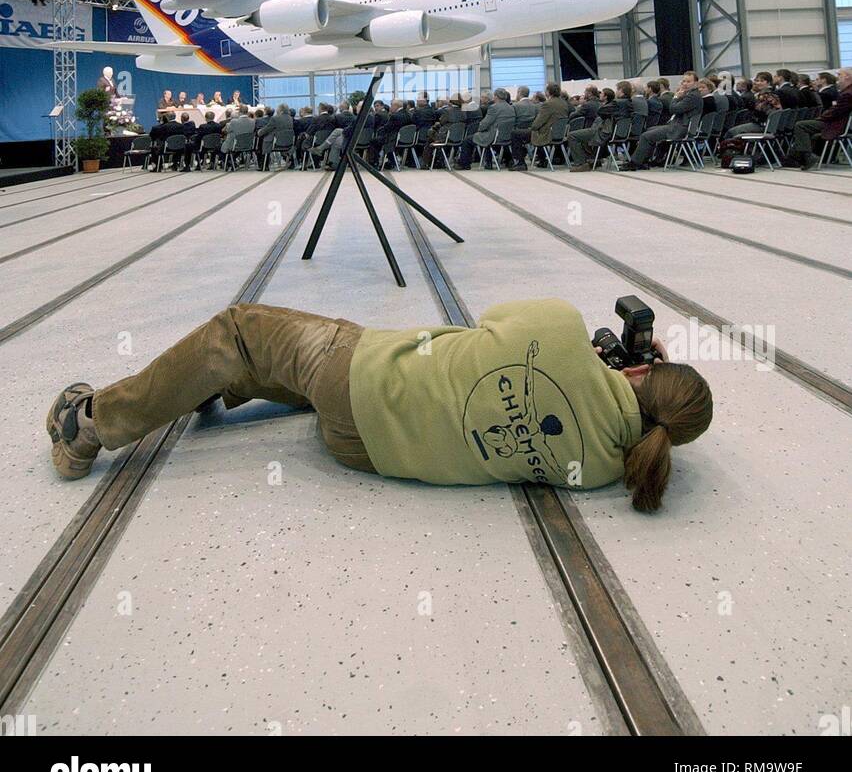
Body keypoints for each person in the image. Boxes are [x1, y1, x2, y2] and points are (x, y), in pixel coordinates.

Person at [46, 298, 713, 514]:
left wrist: (599, 358)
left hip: (359, 378)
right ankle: (216, 385)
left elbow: (493, 319)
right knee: (290, 359)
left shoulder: (564, 333)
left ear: (641, 368)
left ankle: (92, 424)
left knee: (240, 330)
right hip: (366, 452)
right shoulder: (605, 469)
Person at [621, 72, 703, 170]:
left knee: (645, 136)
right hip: (679, 125)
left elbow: (673, 109)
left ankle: (634, 163)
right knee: (649, 130)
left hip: (680, 128)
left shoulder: (692, 96)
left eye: (688, 81)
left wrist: (676, 97)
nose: (685, 84)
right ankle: (643, 160)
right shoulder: (691, 95)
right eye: (684, 81)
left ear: (696, 83)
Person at [787, 67, 852, 169]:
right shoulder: (847, 91)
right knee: (808, 129)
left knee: (800, 125)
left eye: (840, 75)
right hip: (838, 122)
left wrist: (821, 117)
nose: (837, 77)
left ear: (847, 76)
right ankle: (806, 156)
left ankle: (807, 156)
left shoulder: (847, 94)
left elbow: (836, 111)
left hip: (836, 124)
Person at [510, 81, 569, 170]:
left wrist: (532, 127)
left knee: (515, 134)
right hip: (559, 134)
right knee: (534, 132)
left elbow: (538, 123)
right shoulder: (564, 103)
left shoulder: (548, 104)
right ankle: (542, 159)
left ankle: (520, 162)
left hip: (547, 134)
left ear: (548, 92)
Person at [456, 88, 515, 169]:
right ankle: (500, 161)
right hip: (507, 136)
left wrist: (479, 129)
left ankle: (464, 164)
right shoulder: (511, 107)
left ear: (496, 96)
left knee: (467, 141)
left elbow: (485, 124)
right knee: (487, 139)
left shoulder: (494, 107)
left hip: (493, 136)